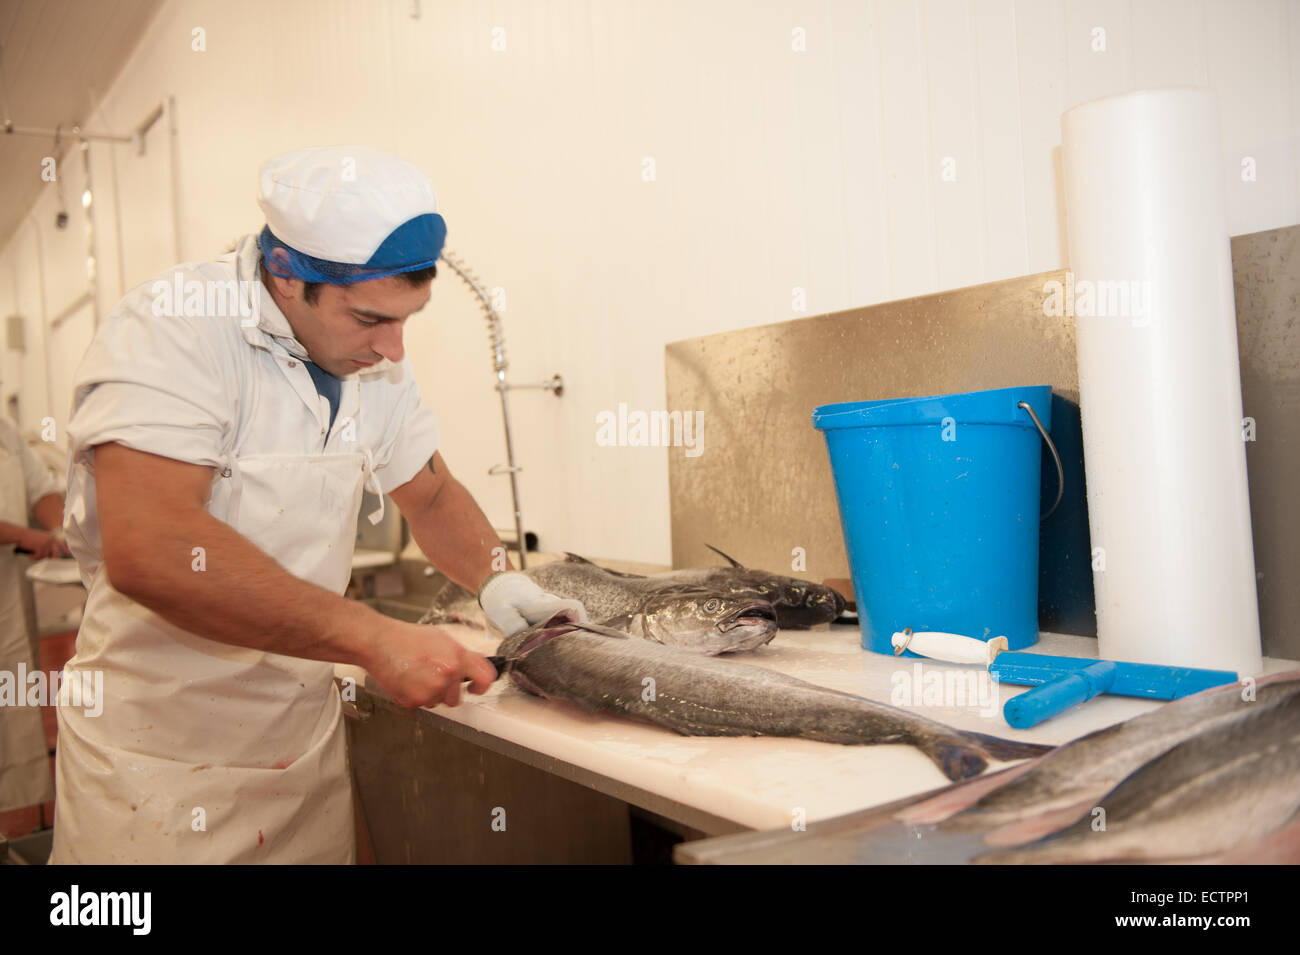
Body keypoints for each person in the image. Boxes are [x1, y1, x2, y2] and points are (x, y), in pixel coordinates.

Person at [50, 146, 585, 864]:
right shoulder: (171, 329)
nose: (393, 348)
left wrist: (498, 577)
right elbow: (154, 547)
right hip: (159, 768)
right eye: (370, 318)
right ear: (285, 274)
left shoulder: (373, 363)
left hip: (299, 751)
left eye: (408, 319)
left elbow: (428, 493)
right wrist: (371, 638)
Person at [0, 413, 70, 814]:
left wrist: (63, 532)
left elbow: (41, 491)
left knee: (10, 704)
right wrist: (24, 535)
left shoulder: (5, 429)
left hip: (9, 592)